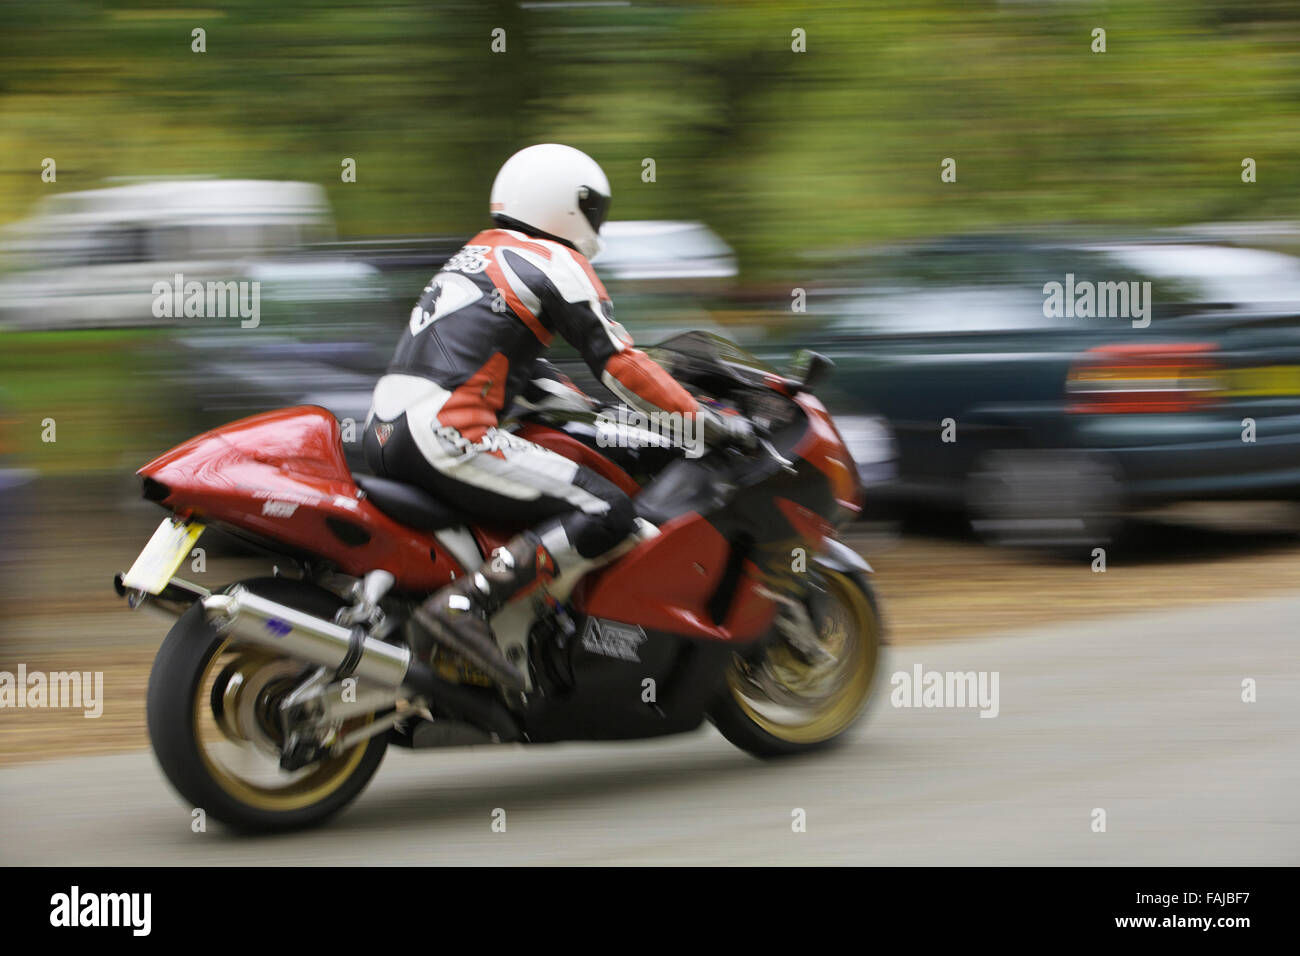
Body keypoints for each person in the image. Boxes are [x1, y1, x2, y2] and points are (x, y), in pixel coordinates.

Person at [363, 143, 749, 691]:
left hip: (387, 429)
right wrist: (705, 420)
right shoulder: (555, 260)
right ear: (572, 205)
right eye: (594, 208)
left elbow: (529, 376)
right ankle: (458, 610)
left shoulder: (480, 254)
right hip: (446, 433)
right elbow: (620, 363)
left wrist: (603, 413)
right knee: (609, 509)